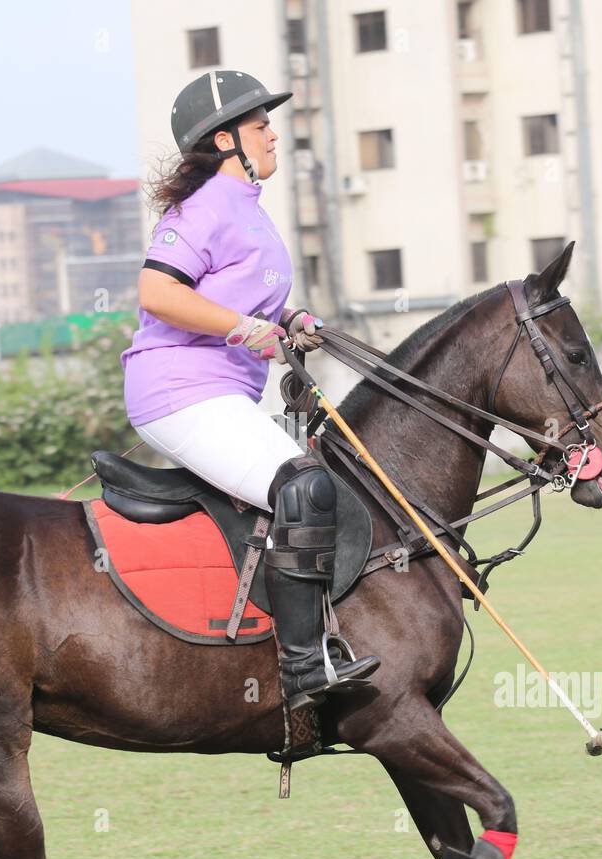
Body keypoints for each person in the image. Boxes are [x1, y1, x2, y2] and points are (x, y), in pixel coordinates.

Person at [121, 70, 380, 710]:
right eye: (259, 124)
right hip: (178, 388)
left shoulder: (250, 213)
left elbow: (247, 299)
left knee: (318, 479)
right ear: (224, 139)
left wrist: (290, 320)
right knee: (304, 486)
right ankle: (303, 670)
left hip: (224, 391)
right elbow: (158, 292)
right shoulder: (204, 205)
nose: (272, 134)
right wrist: (243, 328)